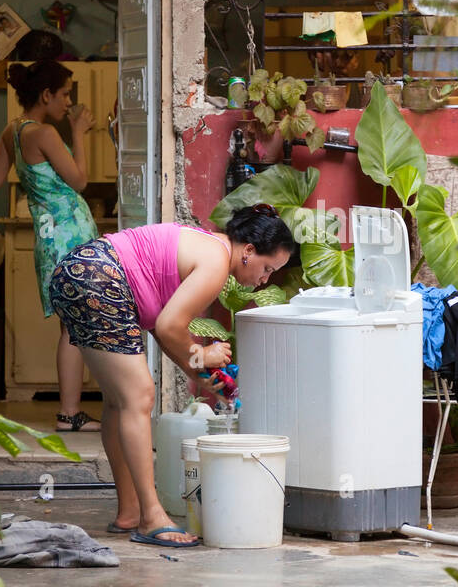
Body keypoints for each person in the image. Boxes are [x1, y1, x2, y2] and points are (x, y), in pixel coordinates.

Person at [47, 206, 295, 547]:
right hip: (101, 278)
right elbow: (169, 327)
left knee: (120, 402)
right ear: (249, 251)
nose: (265, 279)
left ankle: (130, 513)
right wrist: (203, 354)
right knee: (139, 396)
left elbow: (166, 333)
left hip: (78, 273)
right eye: (268, 269)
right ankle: (152, 517)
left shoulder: (209, 247)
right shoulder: (217, 262)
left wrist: (201, 372)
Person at [0, 58, 101, 433]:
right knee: (76, 328)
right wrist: (78, 131)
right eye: (65, 94)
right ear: (46, 94)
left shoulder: (12, 130)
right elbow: (80, 181)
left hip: (49, 238)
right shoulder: (45, 134)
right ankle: (70, 414)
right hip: (70, 234)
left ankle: (72, 411)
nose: (68, 102)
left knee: (72, 325)